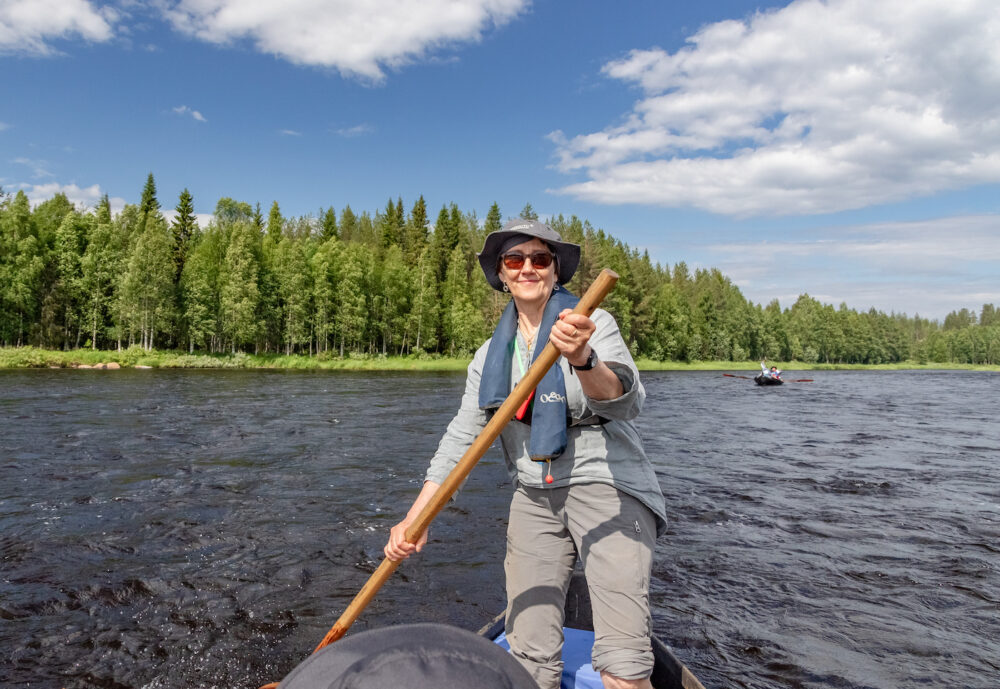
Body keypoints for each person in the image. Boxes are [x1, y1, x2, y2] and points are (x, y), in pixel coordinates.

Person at [384, 218, 667, 689]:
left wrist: (583, 358)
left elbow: (626, 401)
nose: (528, 267)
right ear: (502, 274)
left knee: (624, 661)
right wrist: (416, 519)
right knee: (528, 659)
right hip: (534, 494)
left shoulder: (592, 324)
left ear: (556, 271)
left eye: (540, 258)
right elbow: (462, 438)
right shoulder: (485, 358)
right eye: (515, 260)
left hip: (609, 486)